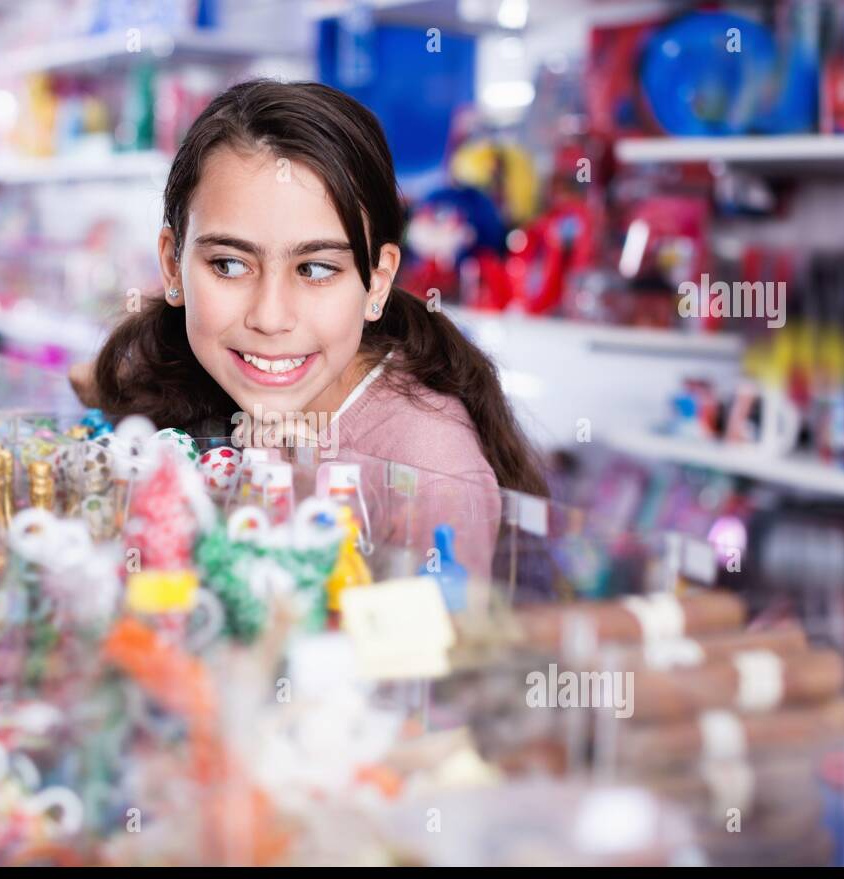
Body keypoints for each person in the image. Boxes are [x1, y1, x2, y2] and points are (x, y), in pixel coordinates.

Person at [71, 79, 547, 576]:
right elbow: (103, 381)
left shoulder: (432, 473)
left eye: (316, 269)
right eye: (230, 265)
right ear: (173, 266)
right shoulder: (197, 366)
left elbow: (438, 647)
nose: (271, 318)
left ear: (377, 282)